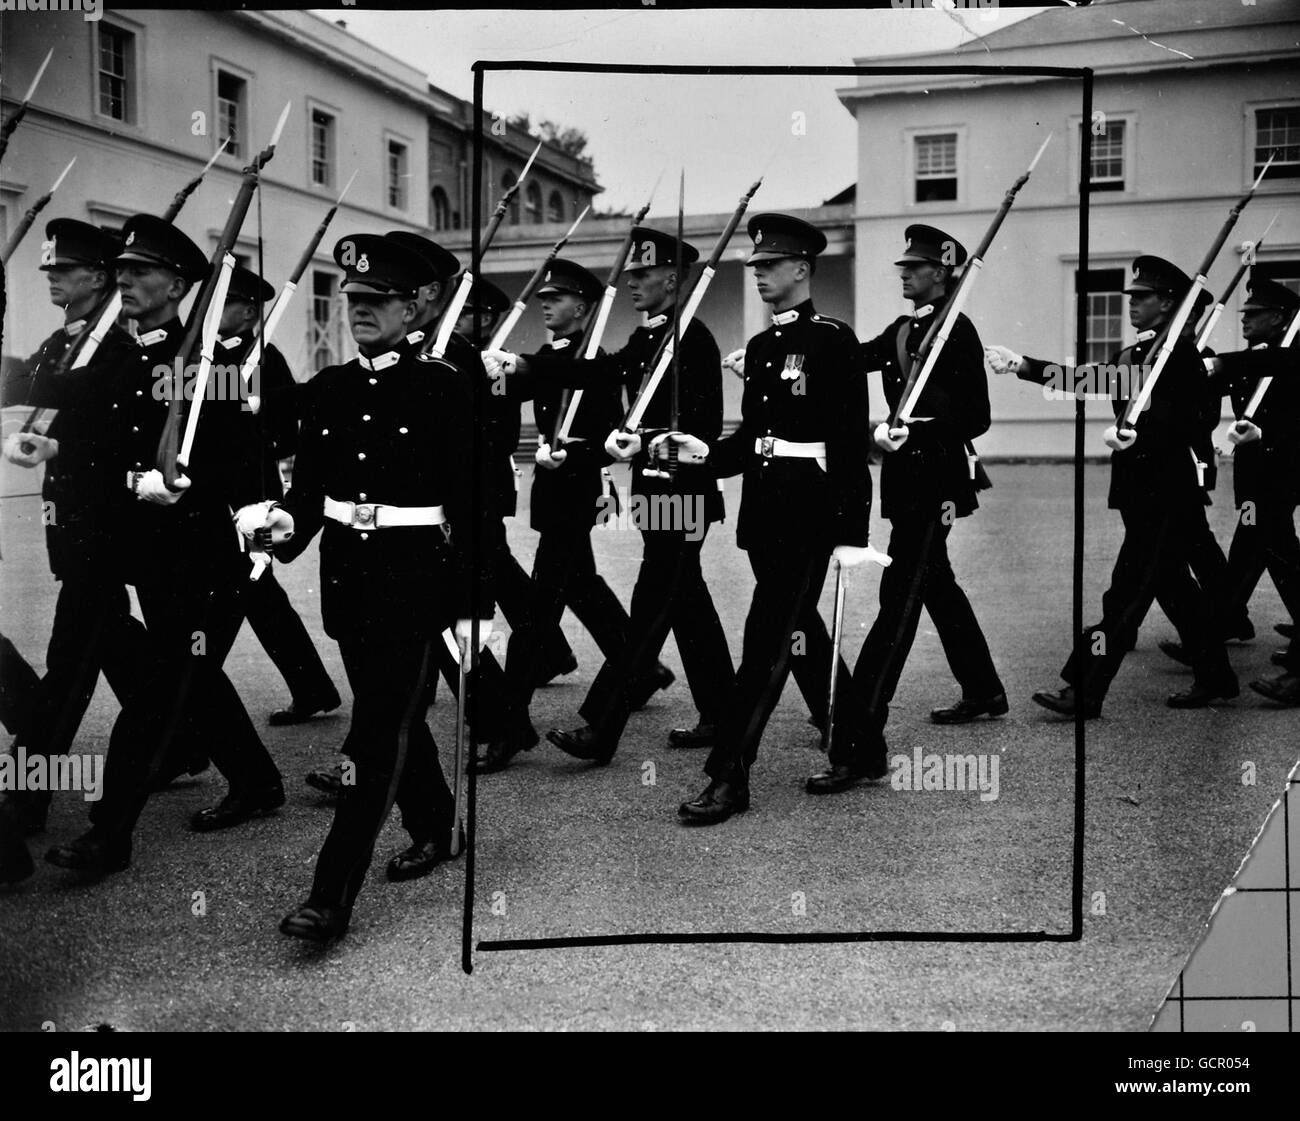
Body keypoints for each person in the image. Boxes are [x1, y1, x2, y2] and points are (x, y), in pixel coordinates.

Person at [244, 234, 494, 942]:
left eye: (377, 299)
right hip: (348, 583)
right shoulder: (330, 389)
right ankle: (438, 825)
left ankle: (330, 895)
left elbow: (475, 505)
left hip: (417, 583)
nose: (360, 310)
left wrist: (476, 609)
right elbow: (311, 495)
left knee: (376, 735)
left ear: (415, 305)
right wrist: (277, 525)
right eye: (354, 299)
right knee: (393, 717)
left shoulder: (446, 385)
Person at [44, 214, 284, 878]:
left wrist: (188, 484)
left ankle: (108, 834)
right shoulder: (117, 357)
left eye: (139, 271)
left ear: (176, 284)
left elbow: (249, 465)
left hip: (206, 558)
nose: (125, 279)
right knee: (191, 678)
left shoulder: (209, 366)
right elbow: (81, 430)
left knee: (156, 696)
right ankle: (258, 781)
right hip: (144, 556)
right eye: (120, 269)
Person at [653, 213, 890, 823]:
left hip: (811, 513)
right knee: (801, 635)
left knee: (764, 644)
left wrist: (852, 534)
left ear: (803, 269)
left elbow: (847, 442)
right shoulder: (760, 348)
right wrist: (704, 455)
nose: (758, 274)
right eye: (754, 266)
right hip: (765, 512)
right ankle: (863, 747)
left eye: (770, 265)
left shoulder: (834, 340)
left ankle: (729, 776)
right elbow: (752, 440)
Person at [485, 226, 732, 765]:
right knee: (687, 605)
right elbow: (599, 369)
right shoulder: (648, 338)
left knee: (650, 608)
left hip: (683, 492)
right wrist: (526, 366)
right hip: (653, 491)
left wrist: (637, 439)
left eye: (642, 275)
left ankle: (603, 726)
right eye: (630, 275)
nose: (632, 283)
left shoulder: (693, 337)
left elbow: (704, 426)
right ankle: (722, 712)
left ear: (672, 277)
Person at [986, 254, 1237, 716]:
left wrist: (1143, 430)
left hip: (1169, 489)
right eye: (1132, 297)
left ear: (1168, 304)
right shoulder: (1136, 356)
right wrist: (1023, 364)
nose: (1131, 305)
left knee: (1124, 595)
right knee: (1172, 586)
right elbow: (1088, 380)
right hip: (1139, 490)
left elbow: (1199, 420)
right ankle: (1217, 677)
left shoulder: (1186, 358)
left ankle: (1086, 689)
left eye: (1142, 298)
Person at [477, 258, 667, 771]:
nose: (545, 304)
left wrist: (572, 455)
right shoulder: (544, 356)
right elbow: (509, 392)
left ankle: (512, 725)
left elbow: (610, 440)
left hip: (577, 488)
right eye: (542, 298)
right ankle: (643, 667)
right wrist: (492, 371)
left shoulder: (594, 362)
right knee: (581, 584)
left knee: (538, 611)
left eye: (554, 299)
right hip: (553, 488)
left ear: (582, 308)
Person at [0, 219, 151, 833]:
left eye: (64, 270)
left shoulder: (116, 347)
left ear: (98, 275)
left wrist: (54, 444)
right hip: (72, 525)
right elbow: (28, 382)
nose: (54, 279)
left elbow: (116, 440)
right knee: (122, 650)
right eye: (50, 271)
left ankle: (27, 798)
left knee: (68, 666)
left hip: (105, 527)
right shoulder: (65, 339)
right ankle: (212, 751)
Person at [850, 224, 1006, 742]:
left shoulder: (957, 331)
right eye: (904, 267)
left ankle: (860, 715)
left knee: (901, 591)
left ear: (940, 273)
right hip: (905, 480)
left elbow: (976, 417)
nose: (905, 274)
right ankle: (984, 689)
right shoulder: (901, 328)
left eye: (914, 268)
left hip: (937, 479)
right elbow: (854, 360)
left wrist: (915, 430)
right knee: (937, 585)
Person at [214, 265, 341, 726]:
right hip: (209, 494)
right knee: (257, 594)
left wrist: (253, 422)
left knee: (250, 588)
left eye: (223, 303)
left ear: (249, 311)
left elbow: (288, 437)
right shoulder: (199, 357)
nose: (212, 311)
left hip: (253, 497)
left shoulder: (267, 359)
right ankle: (312, 688)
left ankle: (185, 707)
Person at [1199, 277, 1300, 704]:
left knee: (1278, 555)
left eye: (1255, 315)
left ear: (1279, 318)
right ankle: (1225, 620)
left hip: (1282, 474)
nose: (1246, 320)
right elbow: (1213, 382)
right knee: (1250, 547)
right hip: (1253, 481)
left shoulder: (1291, 358)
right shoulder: (1252, 360)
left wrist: (1267, 433)